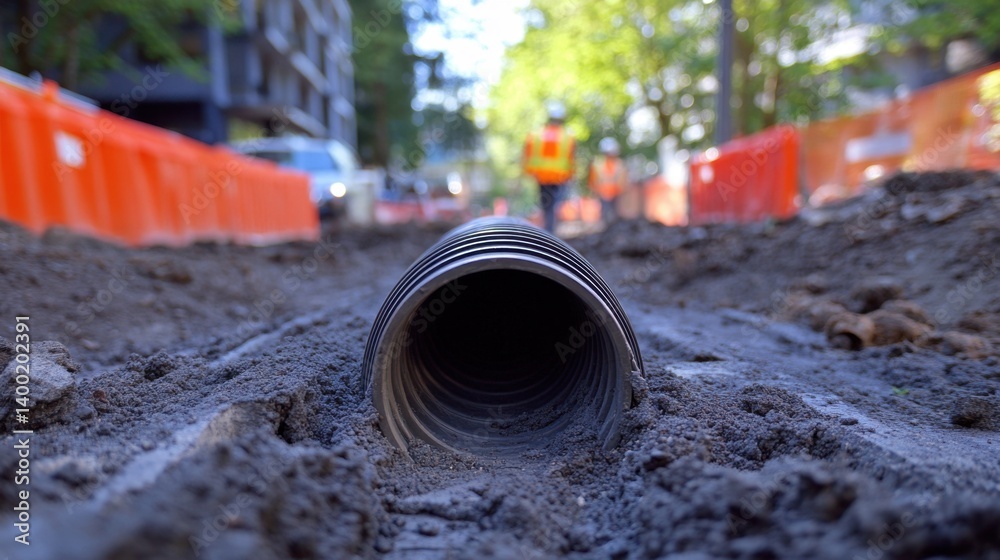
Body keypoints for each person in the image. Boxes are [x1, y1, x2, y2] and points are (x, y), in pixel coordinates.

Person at [523, 101, 576, 234]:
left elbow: (528, 155)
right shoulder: (567, 136)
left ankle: (548, 229)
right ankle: (550, 230)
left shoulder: (536, 135)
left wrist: (530, 172)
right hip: (560, 177)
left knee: (547, 205)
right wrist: (571, 174)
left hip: (542, 177)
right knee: (555, 205)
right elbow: (571, 157)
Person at [589, 137, 628, 224]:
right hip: (603, 195)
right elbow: (593, 180)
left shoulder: (619, 164)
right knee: (606, 216)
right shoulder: (598, 164)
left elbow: (623, 180)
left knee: (615, 217)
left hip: (616, 194)